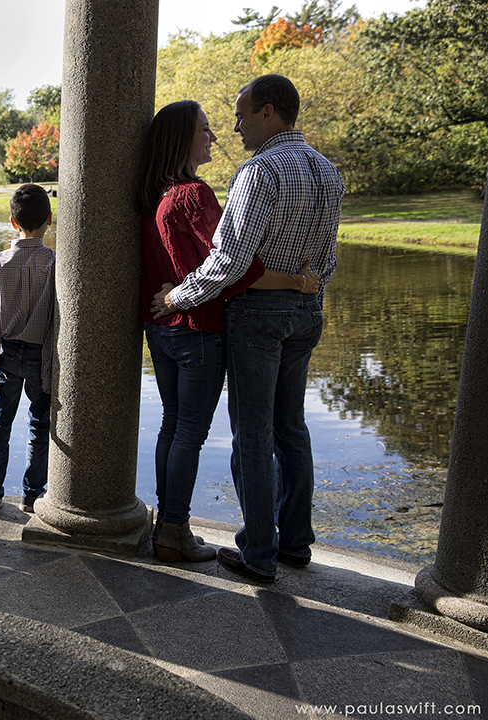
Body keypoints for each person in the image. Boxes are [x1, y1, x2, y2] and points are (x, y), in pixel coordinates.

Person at [151, 74, 345, 583]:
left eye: (240, 115)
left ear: (268, 112)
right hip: (307, 311)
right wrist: (307, 289)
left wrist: (176, 297)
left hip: (258, 316)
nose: (234, 127)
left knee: (253, 433)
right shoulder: (328, 171)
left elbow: (231, 262)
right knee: (292, 428)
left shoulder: (258, 172)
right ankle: (295, 543)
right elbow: (327, 258)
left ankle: (259, 553)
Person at [0, 183, 56, 516]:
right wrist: (50, 370)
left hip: (7, 355)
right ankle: (32, 495)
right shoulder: (55, 263)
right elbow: (56, 323)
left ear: (13, 221)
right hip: (41, 356)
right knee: (39, 427)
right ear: (49, 219)